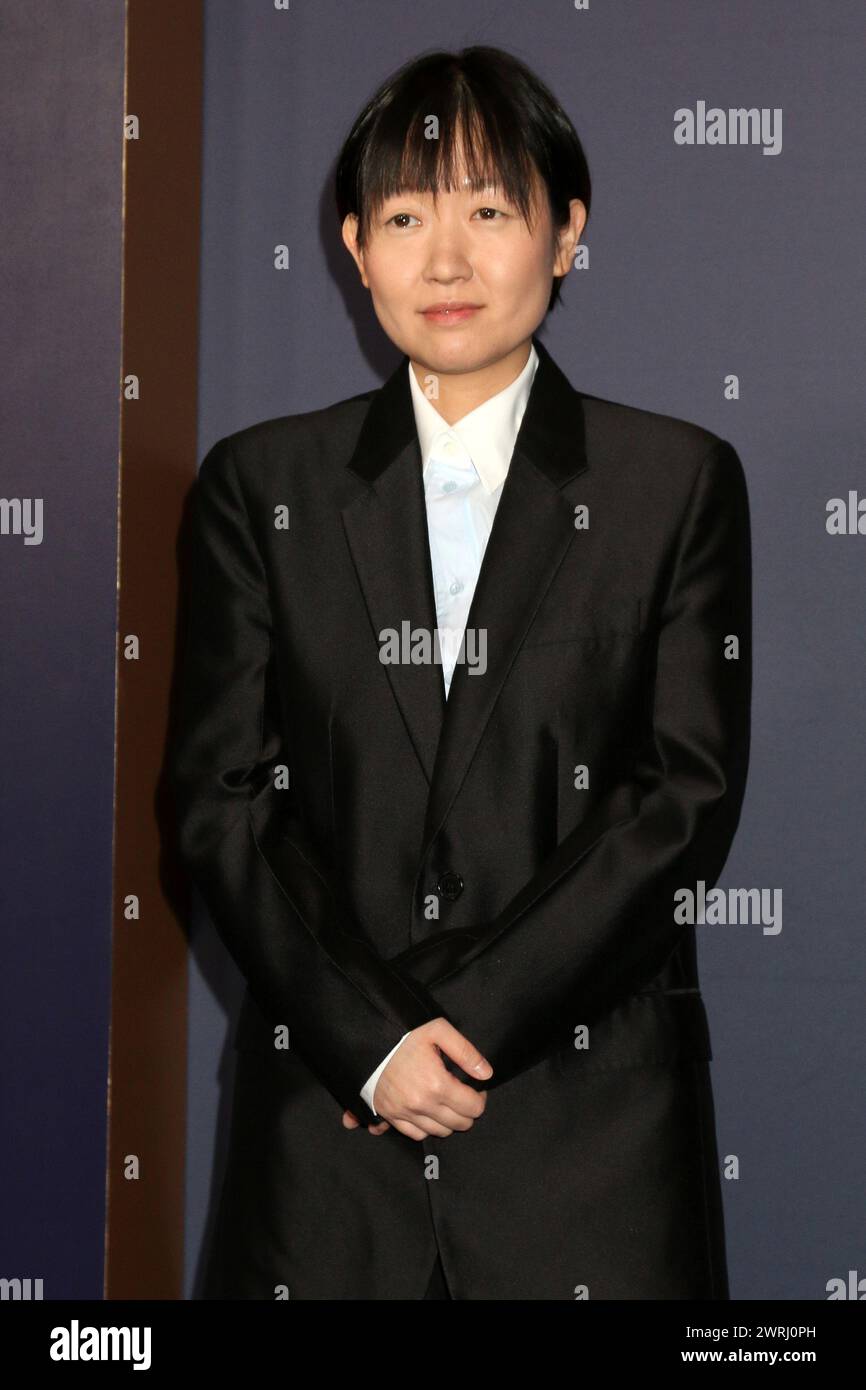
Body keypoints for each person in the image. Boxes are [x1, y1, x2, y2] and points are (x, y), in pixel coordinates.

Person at [171, 44, 751, 1300]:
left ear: (565, 232)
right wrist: (369, 1044)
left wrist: (458, 1026)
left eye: (490, 209)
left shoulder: (670, 485)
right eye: (404, 215)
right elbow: (222, 805)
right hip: (327, 1158)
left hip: (586, 1153)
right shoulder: (262, 488)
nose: (446, 258)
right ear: (353, 246)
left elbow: (678, 804)